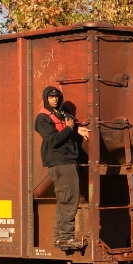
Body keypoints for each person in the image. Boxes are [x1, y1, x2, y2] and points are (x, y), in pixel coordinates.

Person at [35, 85, 91, 250]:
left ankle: (61, 238)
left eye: (57, 97)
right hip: (59, 163)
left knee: (66, 200)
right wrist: (68, 128)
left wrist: (77, 128)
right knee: (69, 200)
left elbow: (71, 123)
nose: (55, 99)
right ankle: (65, 237)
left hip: (68, 161)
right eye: (51, 97)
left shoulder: (62, 112)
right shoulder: (42, 118)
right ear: (46, 98)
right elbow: (53, 140)